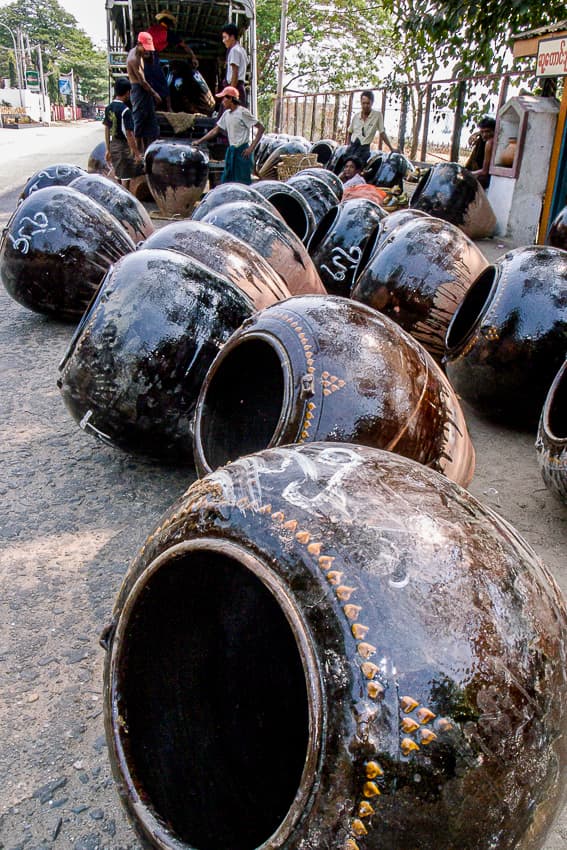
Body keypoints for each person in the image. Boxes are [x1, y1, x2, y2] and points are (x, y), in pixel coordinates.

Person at [194, 85, 263, 184]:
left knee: (242, 183)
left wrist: (251, 148)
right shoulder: (226, 114)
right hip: (232, 151)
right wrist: (199, 141)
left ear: (231, 99)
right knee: (227, 181)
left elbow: (261, 128)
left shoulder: (243, 112)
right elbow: (215, 131)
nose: (222, 102)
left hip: (242, 152)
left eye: (224, 98)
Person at [103, 77, 143, 189]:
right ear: (127, 93)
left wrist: (108, 148)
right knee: (126, 177)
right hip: (123, 147)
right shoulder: (125, 110)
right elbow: (129, 134)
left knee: (118, 175)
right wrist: (136, 153)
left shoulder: (108, 108)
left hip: (113, 145)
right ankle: (124, 199)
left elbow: (106, 129)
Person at [127, 32, 161, 152]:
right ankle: (137, 153)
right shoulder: (134, 59)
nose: (146, 51)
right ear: (139, 44)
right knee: (139, 122)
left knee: (151, 122)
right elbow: (142, 82)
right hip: (138, 90)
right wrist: (155, 94)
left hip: (144, 90)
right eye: (145, 48)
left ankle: (150, 150)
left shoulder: (140, 53)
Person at [345, 90, 396, 164]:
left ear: (372, 102)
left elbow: (382, 133)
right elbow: (350, 131)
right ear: (361, 103)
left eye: (368, 103)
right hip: (352, 147)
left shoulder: (377, 116)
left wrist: (391, 148)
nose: (365, 106)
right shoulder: (356, 116)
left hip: (364, 149)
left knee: (356, 169)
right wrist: (348, 145)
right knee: (345, 167)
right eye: (363, 103)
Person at [221, 23, 248, 106]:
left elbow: (235, 72)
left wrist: (230, 95)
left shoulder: (234, 51)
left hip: (235, 87)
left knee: (227, 117)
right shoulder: (242, 50)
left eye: (225, 37)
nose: (223, 40)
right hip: (239, 88)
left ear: (232, 37)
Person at [465, 116, 495, 189]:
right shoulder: (482, 140)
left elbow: (484, 171)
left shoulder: (489, 143)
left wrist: (468, 174)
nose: (484, 135)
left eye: (488, 131)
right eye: (482, 132)